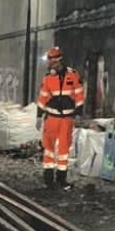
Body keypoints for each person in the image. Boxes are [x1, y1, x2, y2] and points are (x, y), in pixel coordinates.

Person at [36, 46, 84, 190]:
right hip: (52, 117)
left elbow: (80, 95)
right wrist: (39, 116)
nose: (49, 63)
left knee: (64, 150)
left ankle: (61, 179)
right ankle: (48, 179)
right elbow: (43, 97)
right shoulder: (48, 78)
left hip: (67, 119)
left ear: (57, 60)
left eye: (50, 60)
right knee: (48, 148)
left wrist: (78, 113)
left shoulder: (73, 75)